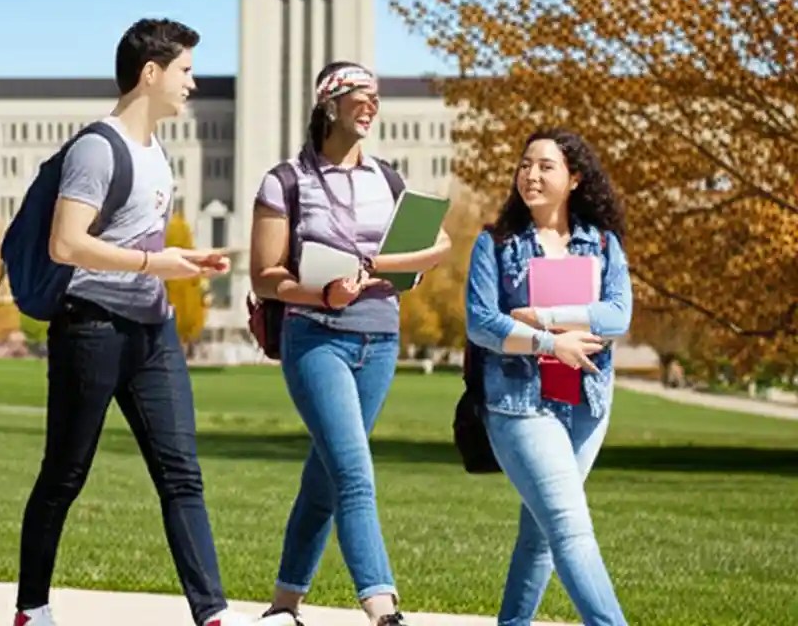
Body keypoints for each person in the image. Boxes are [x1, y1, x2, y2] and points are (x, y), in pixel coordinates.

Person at [13, 18, 259, 626]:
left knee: (182, 476)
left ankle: (212, 614)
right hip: (91, 329)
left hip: (153, 332)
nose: (193, 83)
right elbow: (66, 243)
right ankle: (32, 608)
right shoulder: (100, 147)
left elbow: (135, 240)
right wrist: (156, 262)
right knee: (64, 475)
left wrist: (184, 263)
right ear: (150, 74)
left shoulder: (158, 154)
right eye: (185, 70)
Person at [249, 61, 452, 626]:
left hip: (380, 338)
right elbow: (264, 275)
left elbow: (434, 245)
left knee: (327, 473)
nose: (369, 105)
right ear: (328, 105)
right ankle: (382, 608)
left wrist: (387, 264)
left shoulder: (388, 179)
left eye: (375, 97)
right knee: (355, 473)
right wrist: (323, 295)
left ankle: (284, 606)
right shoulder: (286, 180)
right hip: (316, 337)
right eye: (357, 96)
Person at [465, 128, 633, 626]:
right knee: (569, 527)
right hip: (520, 403)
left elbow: (618, 315)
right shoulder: (494, 243)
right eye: (525, 164)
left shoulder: (602, 243)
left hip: (585, 404)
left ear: (575, 178)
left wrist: (546, 314)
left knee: (540, 532)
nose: (530, 175)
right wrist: (548, 341)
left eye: (545, 166)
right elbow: (482, 324)